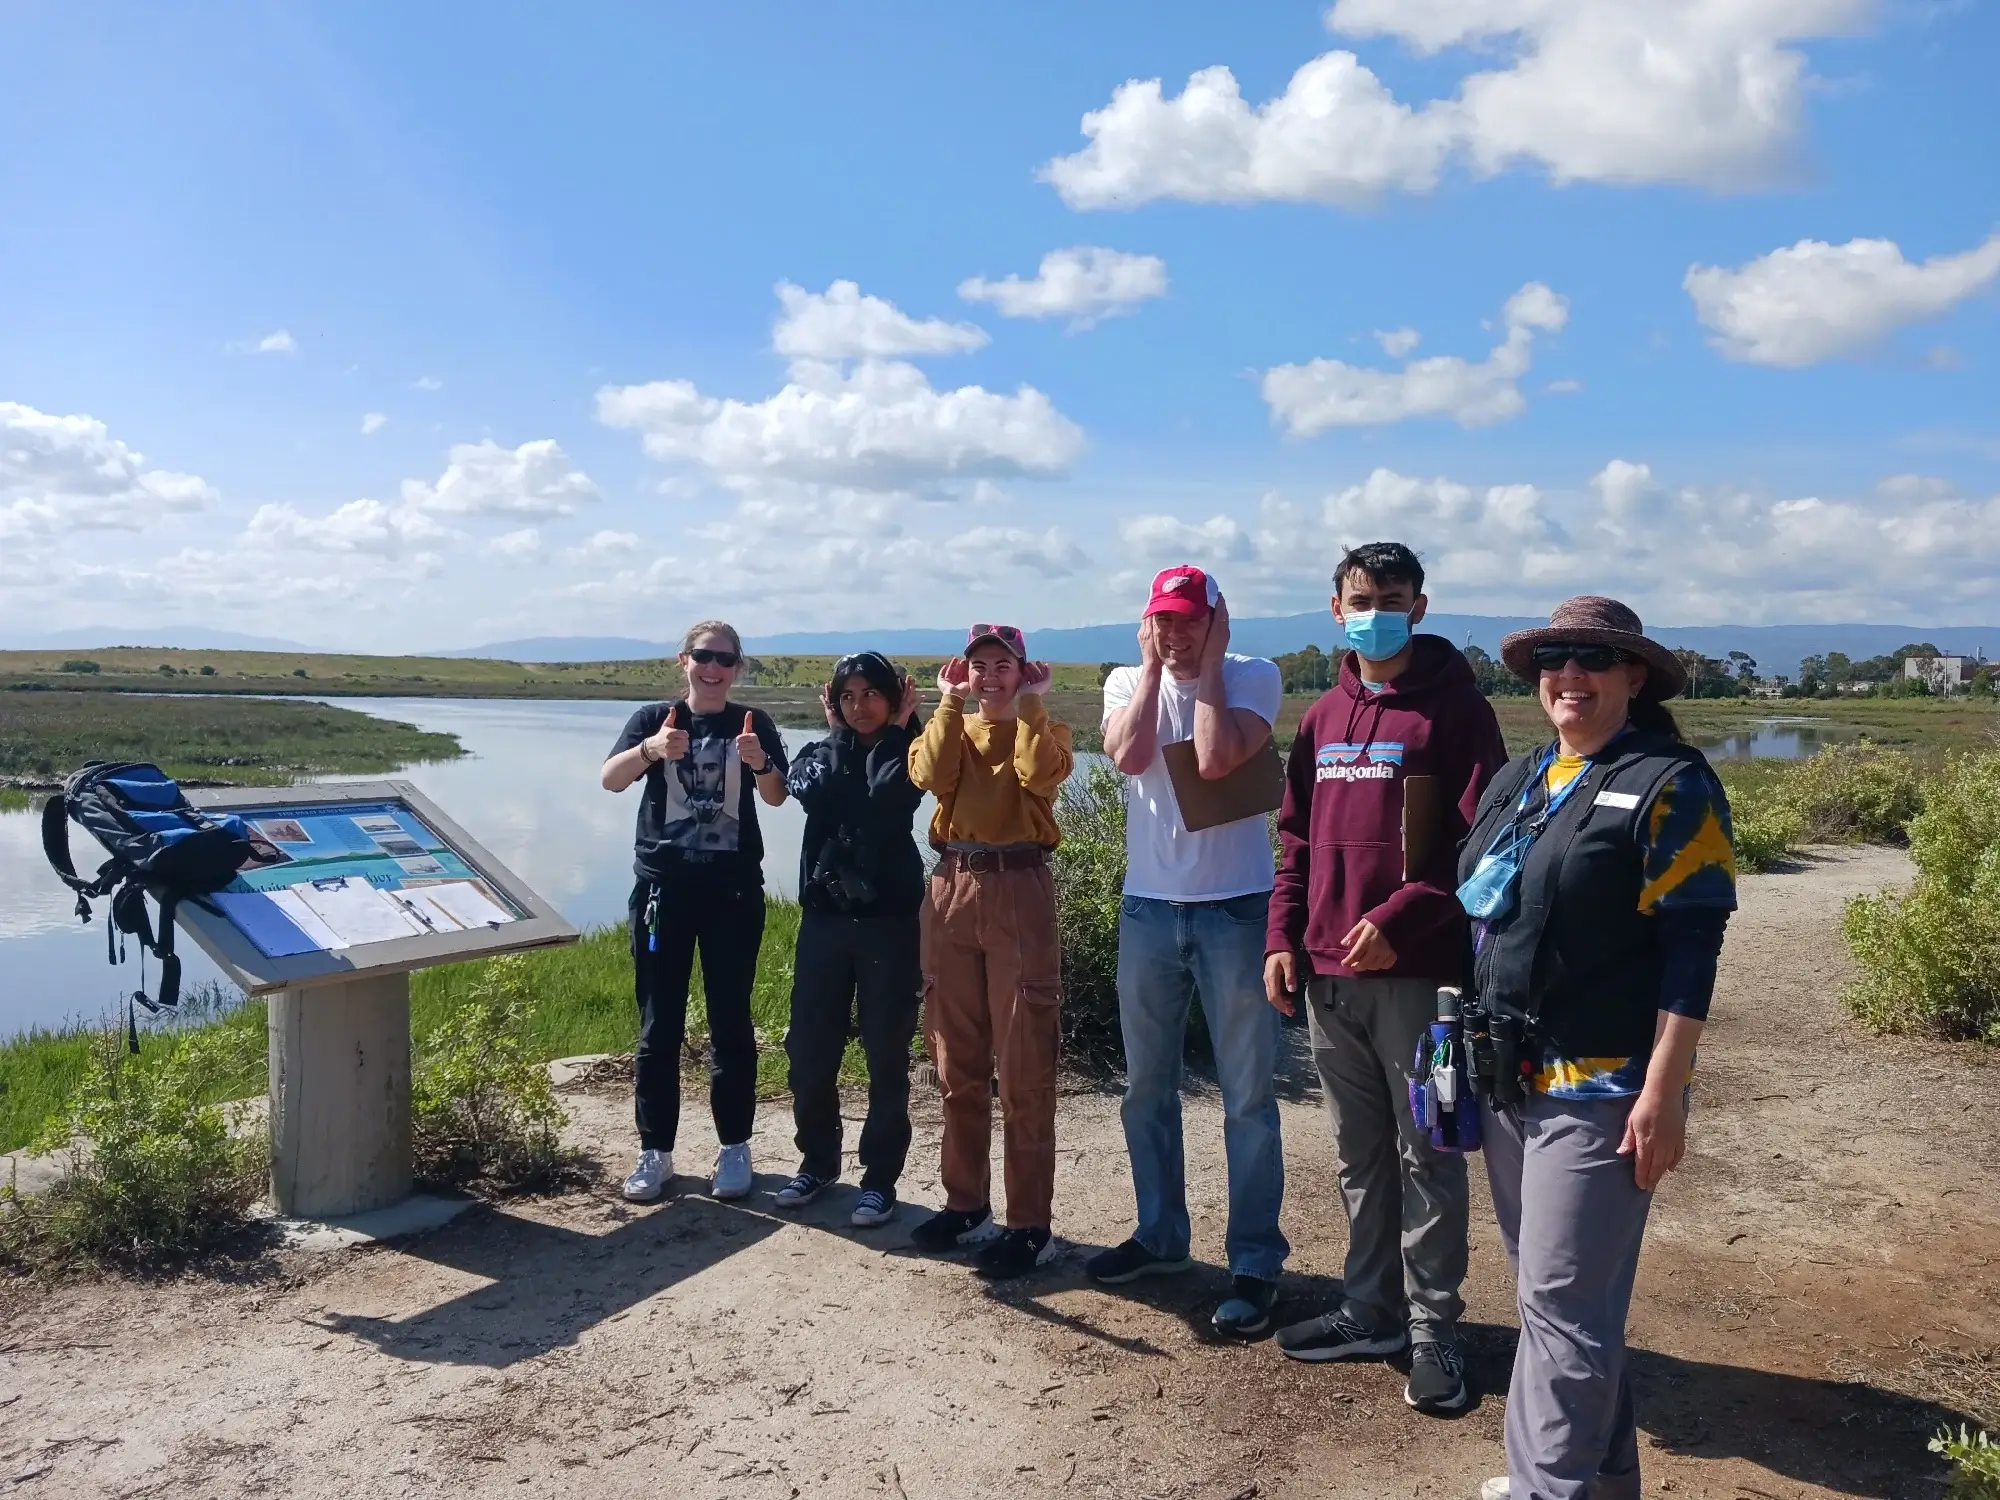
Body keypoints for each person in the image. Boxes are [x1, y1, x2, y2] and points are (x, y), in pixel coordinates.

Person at [1462, 597, 1735, 1500]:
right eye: (1554, 659)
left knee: (1561, 1306)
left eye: (1592, 659)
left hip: (1605, 1091)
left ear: (1634, 677)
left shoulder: (1672, 783)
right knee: (1559, 1305)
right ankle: (1603, 1480)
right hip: (1510, 1080)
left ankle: (1548, 1488)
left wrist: (1665, 1090)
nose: (1568, 675)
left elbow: (1693, 953)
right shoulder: (1526, 776)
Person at [1264, 542, 1509, 1415]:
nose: (1378, 611)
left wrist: (1402, 918)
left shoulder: (1459, 715)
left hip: (1421, 980)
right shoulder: (1323, 716)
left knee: (1430, 1152)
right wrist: (1281, 938)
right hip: (1328, 976)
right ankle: (1368, 1310)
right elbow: (1295, 836)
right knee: (1358, 1156)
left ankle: (1434, 1327)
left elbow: (1485, 851)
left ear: (1421, 604)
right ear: (1336, 609)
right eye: (1362, 598)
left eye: (1394, 598)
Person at [1088, 566, 1290, 1339]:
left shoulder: (1253, 677)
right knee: (1147, 1089)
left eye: (1188, 623)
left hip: (1236, 912)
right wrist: (1148, 672)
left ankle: (1254, 1263)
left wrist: (1209, 668)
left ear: (1217, 622)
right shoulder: (1121, 682)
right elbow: (1129, 755)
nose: (1174, 636)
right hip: (1149, 909)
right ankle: (1161, 1236)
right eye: (1161, 623)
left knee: (1246, 1096)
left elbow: (1212, 758)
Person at [601, 620, 789, 1204]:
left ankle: (735, 1149)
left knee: (731, 1022)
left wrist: (760, 763)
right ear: (683, 660)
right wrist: (651, 750)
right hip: (663, 892)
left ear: (738, 667)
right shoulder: (651, 719)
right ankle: (655, 1152)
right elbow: (609, 781)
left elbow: (778, 796)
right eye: (703, 657)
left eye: (725, 660)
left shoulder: (753, 723)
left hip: (732, 894)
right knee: (659, 1025)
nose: (713, 669)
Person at [907, 623, 1074, 1278]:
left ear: (1024, 671)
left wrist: (1033, 704)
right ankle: (966, 1205)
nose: (991, 676)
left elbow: (1038, 776)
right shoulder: (951, 722)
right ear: (964, 671)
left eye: (1004, 665)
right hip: (952, 886)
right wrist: (948, 703)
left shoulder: (1048, 728)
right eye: (980, 666)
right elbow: (933, 773)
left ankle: (1029, 1224)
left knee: (1025, 1064)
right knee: (957, 1059)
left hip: (1018, 887)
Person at [773, 652, 926, 1228]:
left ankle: (880, 1181)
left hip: (889, 924)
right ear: (833, 704)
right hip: (825, 923)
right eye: (848, 697)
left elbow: (887, 795)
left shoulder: (911, 754)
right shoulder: (820, 752)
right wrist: (839, 739)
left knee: (886, 1054)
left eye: (871, 695)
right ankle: (816, 1161)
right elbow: (805, 789)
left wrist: (892, 736)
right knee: (809, 1049)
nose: (859, 706)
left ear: (894, 699)